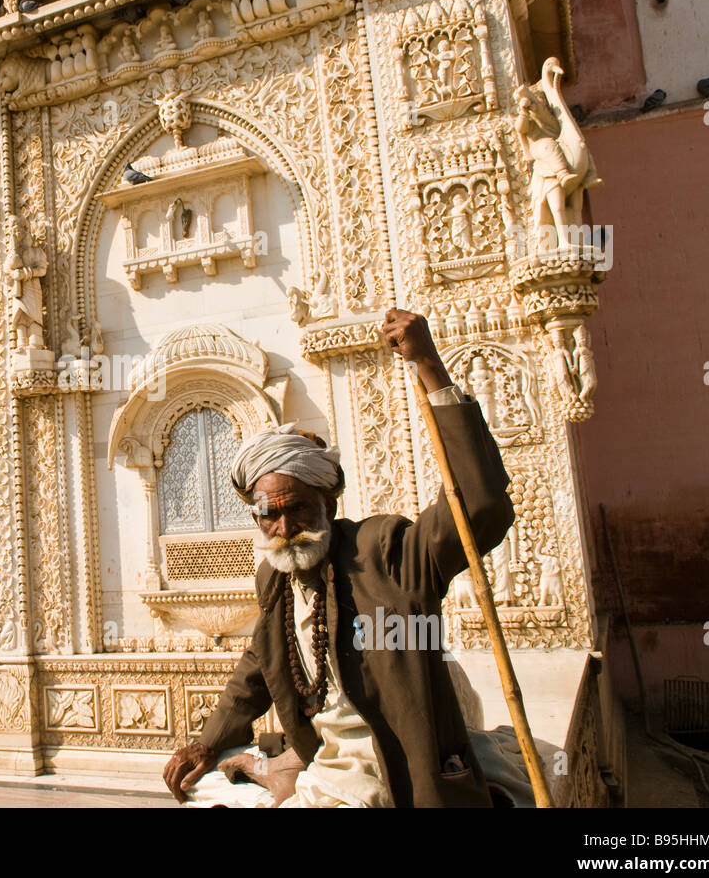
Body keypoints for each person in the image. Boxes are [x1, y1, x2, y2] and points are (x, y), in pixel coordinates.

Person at [162, 308, 516, 807]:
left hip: (395, 773)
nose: (284, 528)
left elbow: (477, 507)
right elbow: (261, 662)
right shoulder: (275, 577)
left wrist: (429, 366)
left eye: (299, 509)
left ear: (328, 504)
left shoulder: (385, 551)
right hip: (325, 759)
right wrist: (208, 740)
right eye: (268, 516)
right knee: (204, 789)